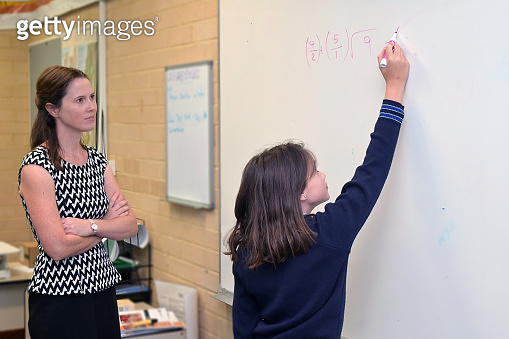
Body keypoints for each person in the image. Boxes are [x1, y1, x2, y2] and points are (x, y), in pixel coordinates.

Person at [226, 42, 410, 338]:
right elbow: (372, 171)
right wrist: (396, 86)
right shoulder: (327, 235)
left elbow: (243, 329)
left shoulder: (248, 250)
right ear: (299, 192)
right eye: (314, 172)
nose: (323, 174)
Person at [18, 65, 139, 339]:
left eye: (92, 97)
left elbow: (131, 226)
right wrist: (107, 224)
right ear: (53, 109)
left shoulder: (97, 161)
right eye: (80, 100)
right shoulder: (37, 167)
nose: (92, 107)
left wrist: (89, 226)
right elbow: (58, 248)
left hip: (103, 291)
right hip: (61, 298)